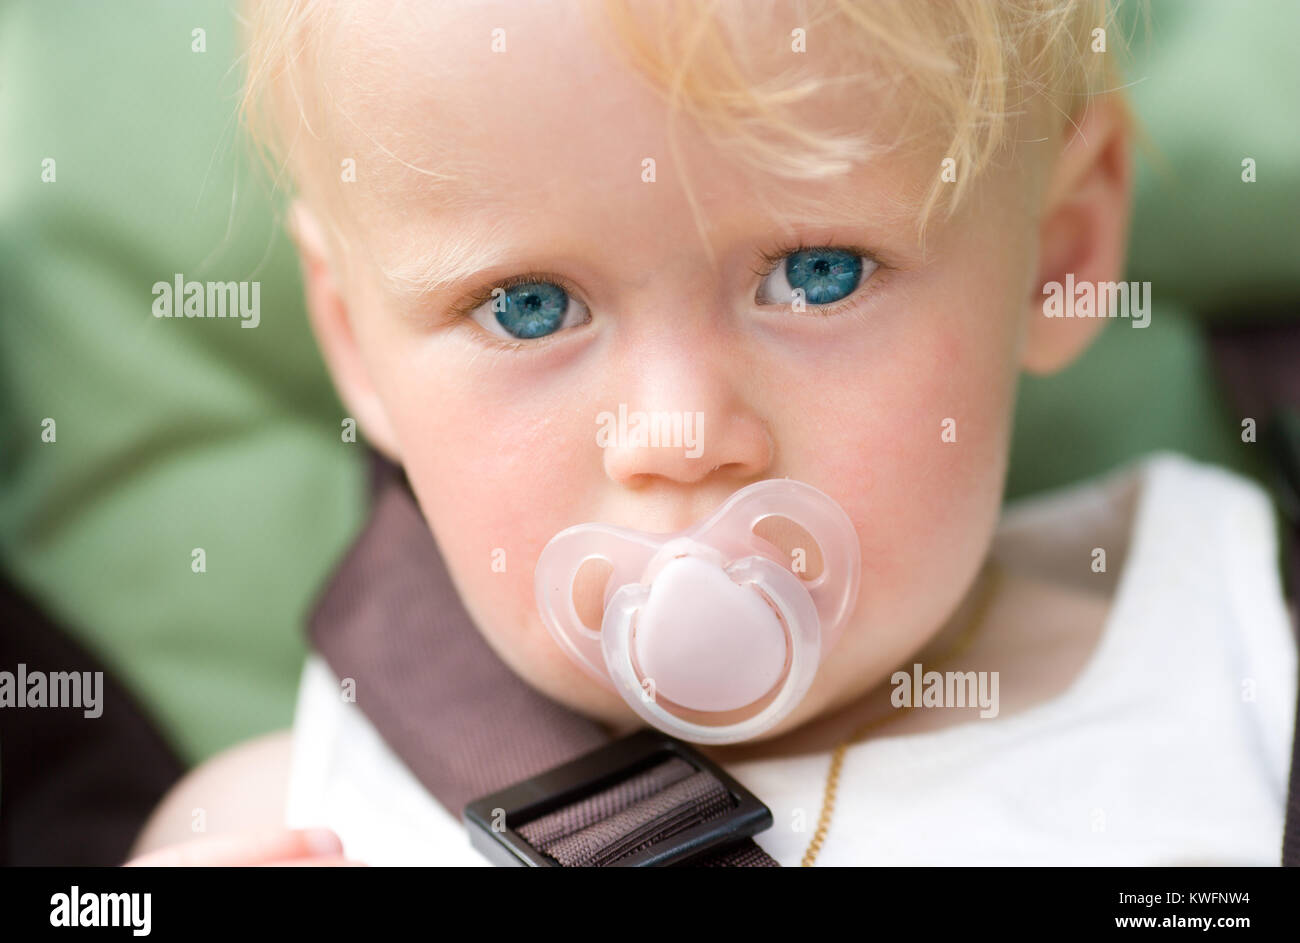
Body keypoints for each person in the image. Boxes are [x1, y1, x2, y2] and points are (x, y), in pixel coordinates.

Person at [129, 0, 1296, 866]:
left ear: (1055, 256)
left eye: (817, 272)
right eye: (528, 305)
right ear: (356, 345)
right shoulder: (292, 817)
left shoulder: (1235, 660)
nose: (680, 434)